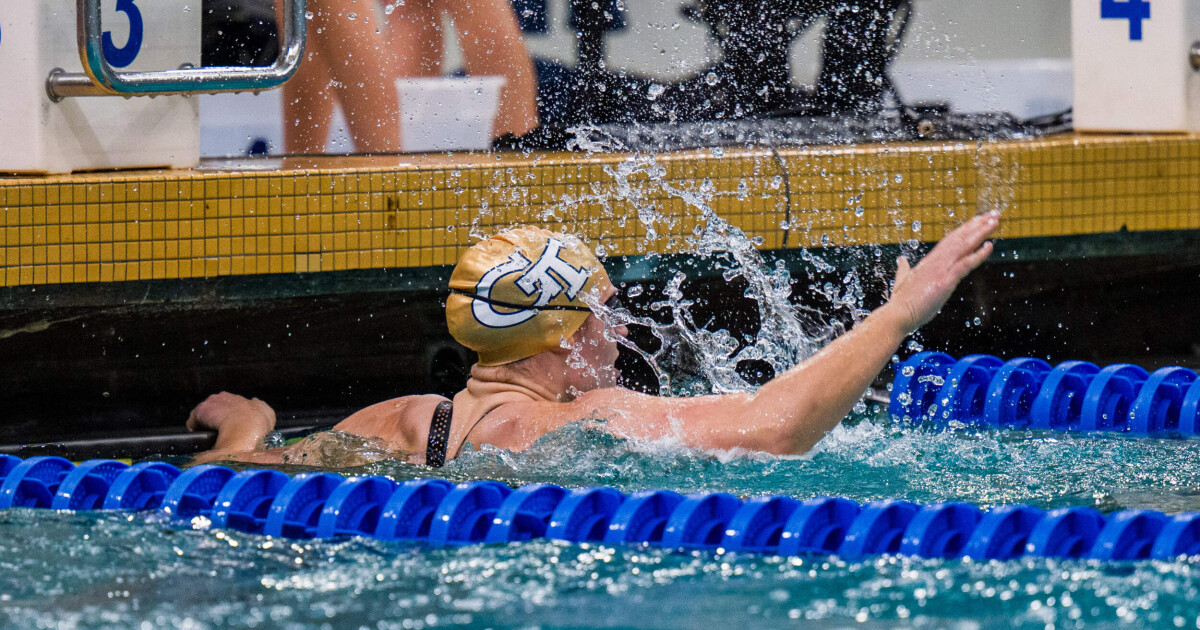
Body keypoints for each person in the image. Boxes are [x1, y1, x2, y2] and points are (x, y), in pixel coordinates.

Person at [188, 213, 999, 465]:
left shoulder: (398, 421)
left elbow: (234, 478)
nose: (619, 328)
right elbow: (780, 425)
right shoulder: (591, 419)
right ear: (564, 339)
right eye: (603, 311)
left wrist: (246, 428)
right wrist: (897, 316)